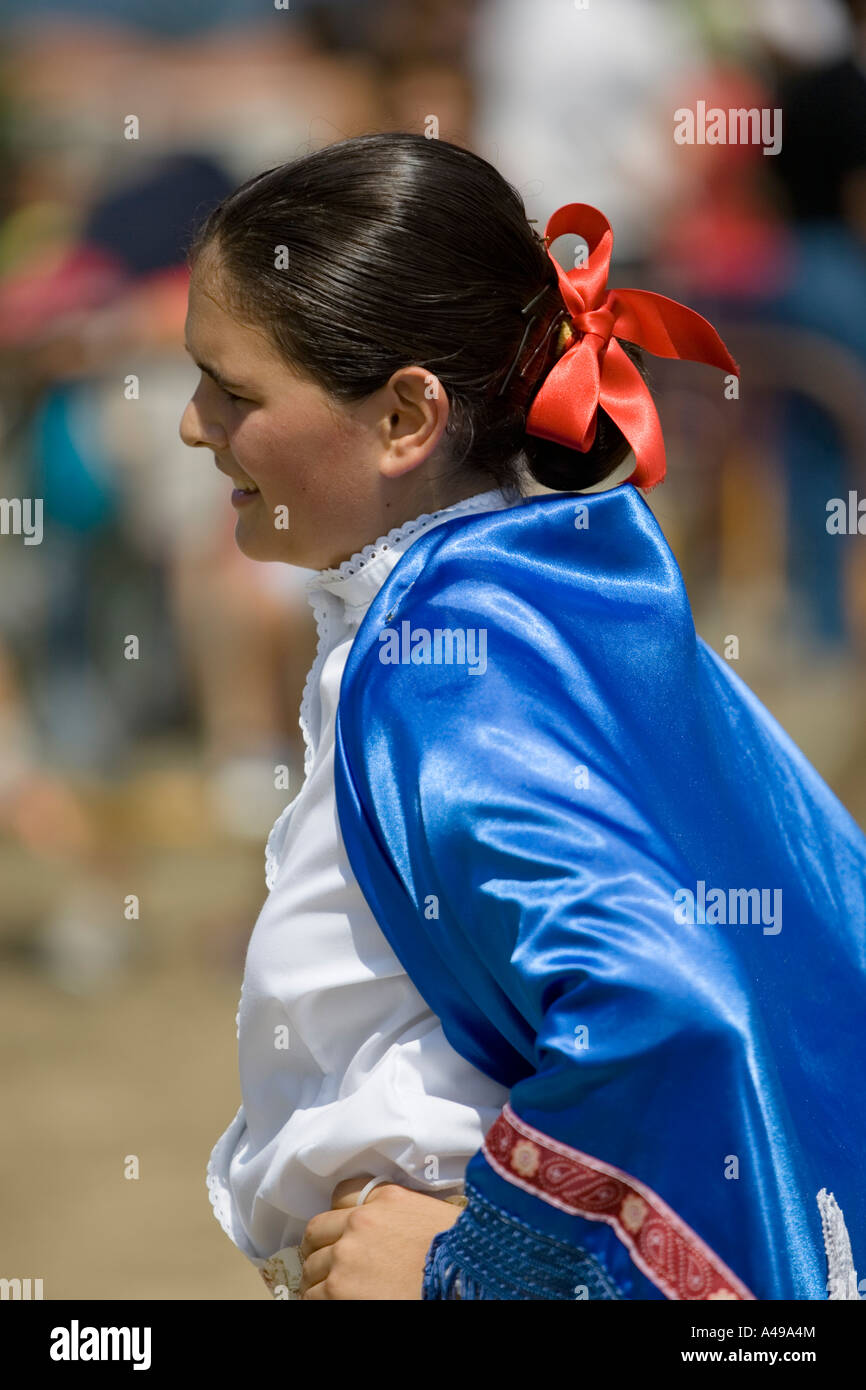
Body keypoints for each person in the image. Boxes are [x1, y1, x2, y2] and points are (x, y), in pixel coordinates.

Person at [179, 131, 866, 1300]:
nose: (193, 425)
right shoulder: (551, 590)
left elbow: (661, 1000)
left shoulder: (443, 669)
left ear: (404, 417)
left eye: (234, 393)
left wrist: (474, 1262)